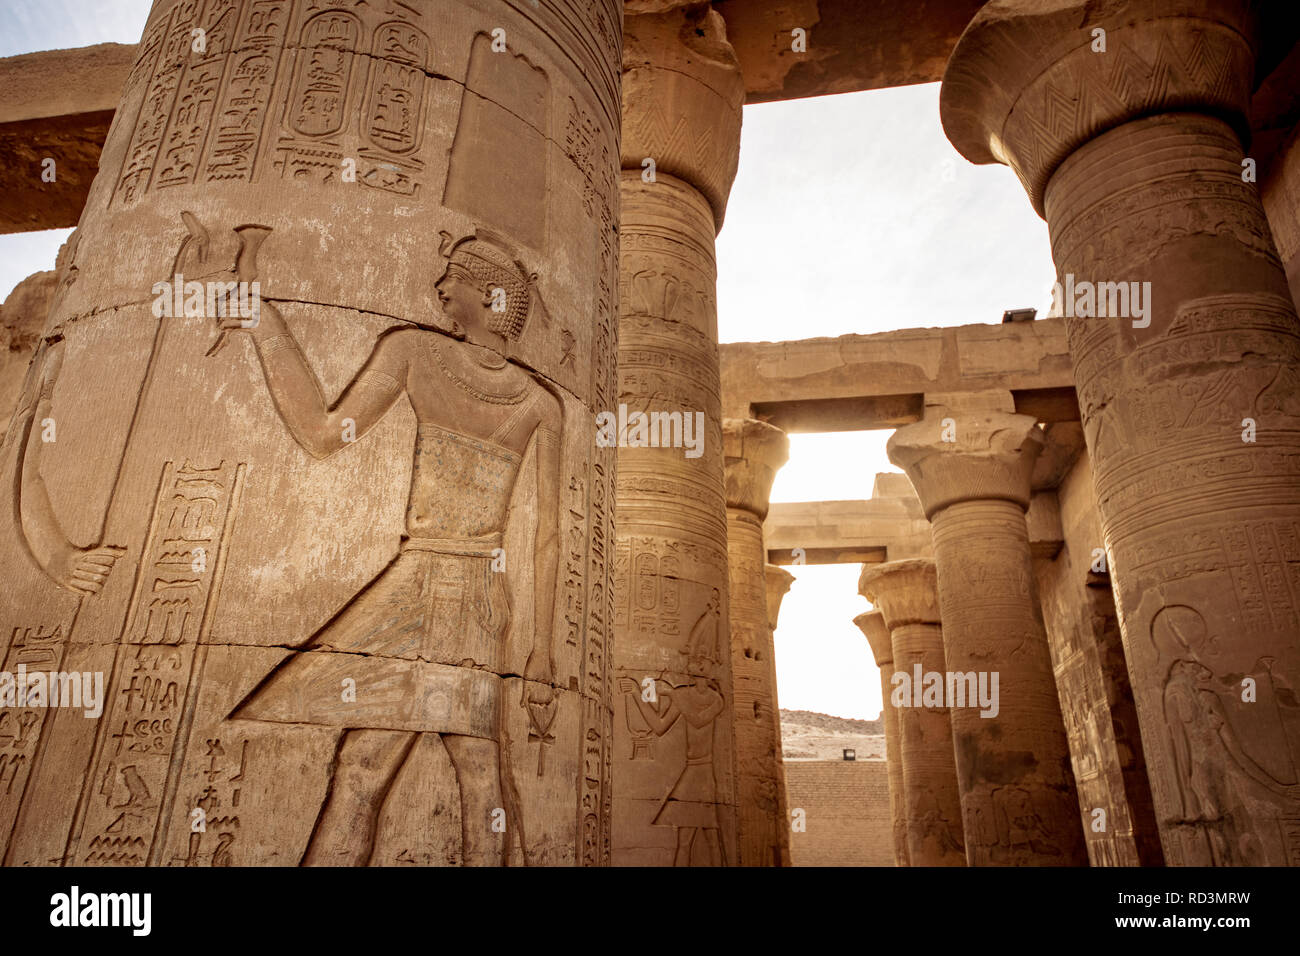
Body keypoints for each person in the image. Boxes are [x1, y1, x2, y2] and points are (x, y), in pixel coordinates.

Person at [227, 231, 562, 866]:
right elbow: (327, 433)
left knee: (453, 770)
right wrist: (265, 323)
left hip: (458, 593)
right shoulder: (423, 354)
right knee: (415, 767)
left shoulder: (519, 394)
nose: (440, 287)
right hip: (440, 588)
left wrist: (543, 652)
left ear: (493, 297)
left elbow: (549, 535)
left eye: (455, 275)